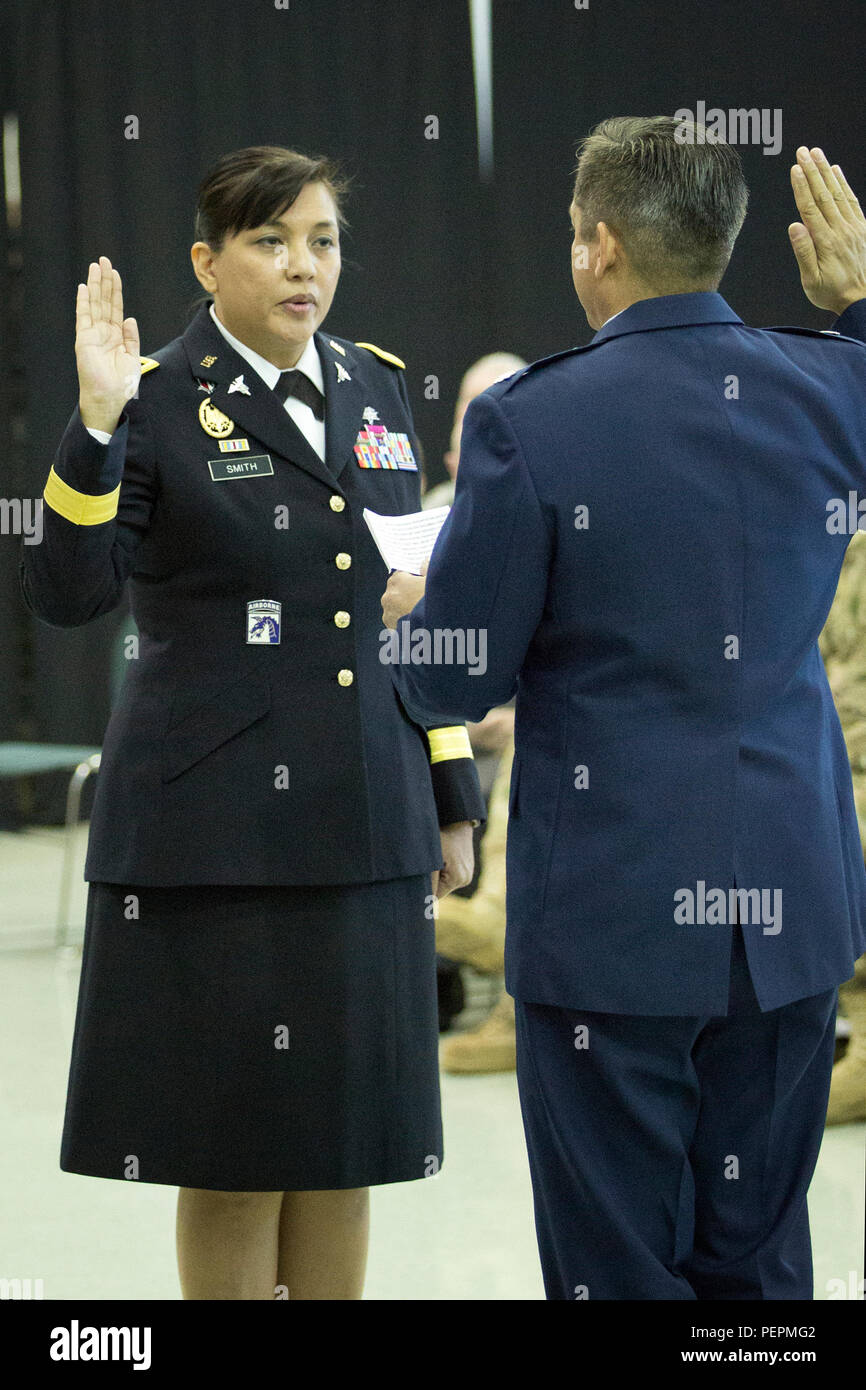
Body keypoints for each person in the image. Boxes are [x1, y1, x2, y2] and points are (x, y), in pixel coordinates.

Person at [382, 120, 866, 1299]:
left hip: (615, 923)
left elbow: (457, 678)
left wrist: (407, 622)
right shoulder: (830, 384)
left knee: (617, 1265)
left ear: (597, 246)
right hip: (792, 907)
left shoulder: (531, 420)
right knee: (758, 1262)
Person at [20, 145, 485, 1301]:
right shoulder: (155, 392)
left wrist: (448, 788)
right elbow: (67, 592)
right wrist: (93, 421)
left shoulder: (375, 384)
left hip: (364, 819)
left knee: (345, 1150)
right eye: (270, 242)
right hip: (214, 836)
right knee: (227, 1154)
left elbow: (400, 608)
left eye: (321, 240)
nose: (302, 266)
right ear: (207, 261)